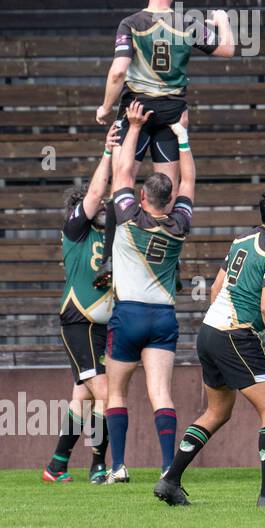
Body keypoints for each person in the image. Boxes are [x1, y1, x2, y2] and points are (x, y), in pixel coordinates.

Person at [153, 185, 265, 507]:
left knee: (217, 411)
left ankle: (170, 481)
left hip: (209, 331)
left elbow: (217, 288)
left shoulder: (241, 241)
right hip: (237, 335)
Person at [93, 0, 234, 288]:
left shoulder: (131, 23)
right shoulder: (188, 24)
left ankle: (111, 261)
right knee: (168, 190)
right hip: (172, 116)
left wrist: (105, 108)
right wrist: (223, 21)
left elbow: (117, 72)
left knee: (122, 181)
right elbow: (227, 49)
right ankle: (171, 266)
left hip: (136, 111)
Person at [102, 101, 194, 482]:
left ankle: (119, 466)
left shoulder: (127, 216)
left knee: (116, 393)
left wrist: (134, 125)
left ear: (143, 198)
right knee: (161, 393)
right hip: (163, 317)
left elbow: (122, 171)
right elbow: (188, 181)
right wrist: (182, 136)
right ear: (169, 200)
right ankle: (167, 466)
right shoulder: (179, 224)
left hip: (128, 315)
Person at [44, 123, 121, 484]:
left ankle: (57, 465)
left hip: (99, 325)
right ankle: (99, 464)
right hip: (79, 321)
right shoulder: (75, 229)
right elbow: (94, 193)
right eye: (95, 205)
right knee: (106, 393)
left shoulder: (109, 237)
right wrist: (109, 151)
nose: (101, 207)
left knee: (83, 398)